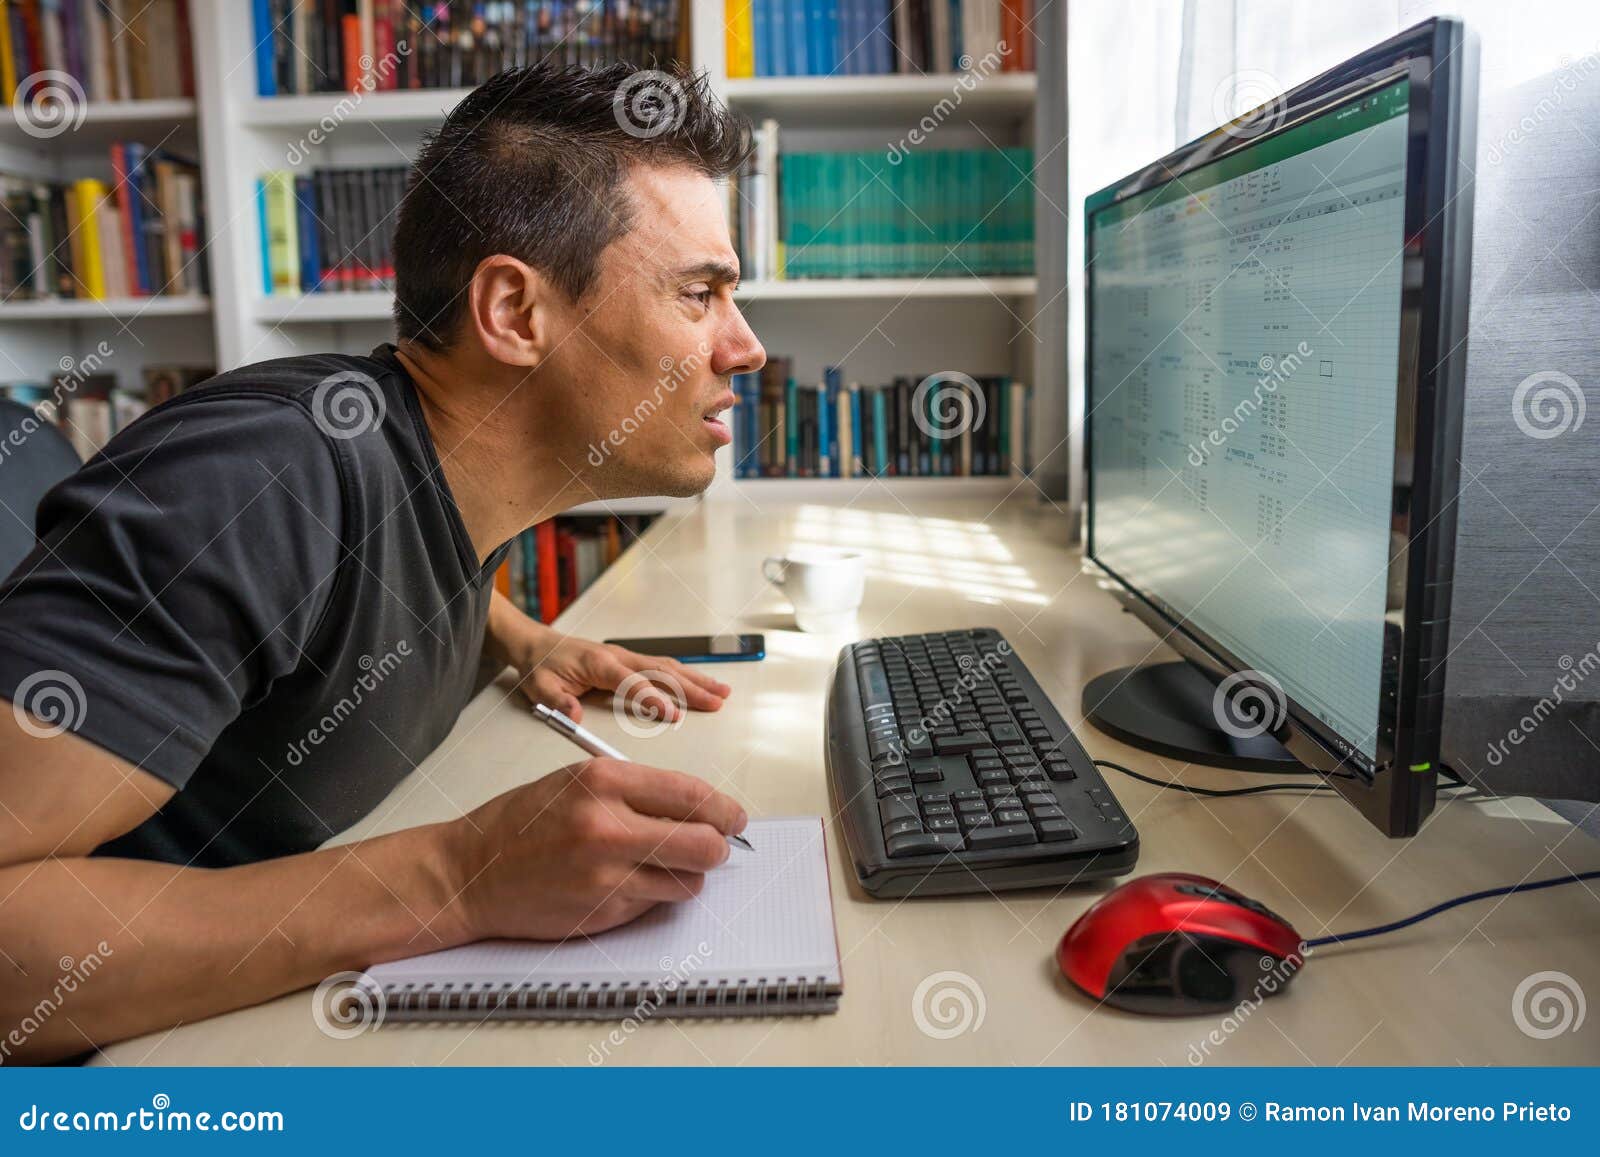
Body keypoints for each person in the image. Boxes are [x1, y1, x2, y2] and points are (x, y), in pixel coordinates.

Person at [0, 62, 765, 1064]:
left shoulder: (448, 461)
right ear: (515, 314)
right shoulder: (260, 482)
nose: (745, 346)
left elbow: (378, 566)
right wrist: (459, 873)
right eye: (699, 294)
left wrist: (522, 637)